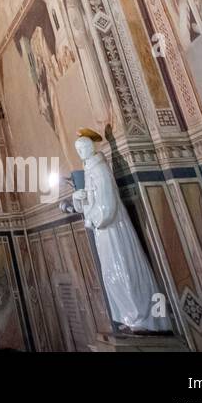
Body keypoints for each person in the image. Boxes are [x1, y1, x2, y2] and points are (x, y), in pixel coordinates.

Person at [71, 136, 170, 334]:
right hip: (102, 232)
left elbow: (107, 207)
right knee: (112, 273)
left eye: (83, 148)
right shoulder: (90, 171)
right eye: (78, 149)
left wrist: (91, 217)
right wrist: (78, 198)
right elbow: (91, 203)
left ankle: (145, 318)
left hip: (113, 229)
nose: (80, 153)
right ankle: (129, 315)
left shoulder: (100, 170)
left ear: (91, 148)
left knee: (125, 269)